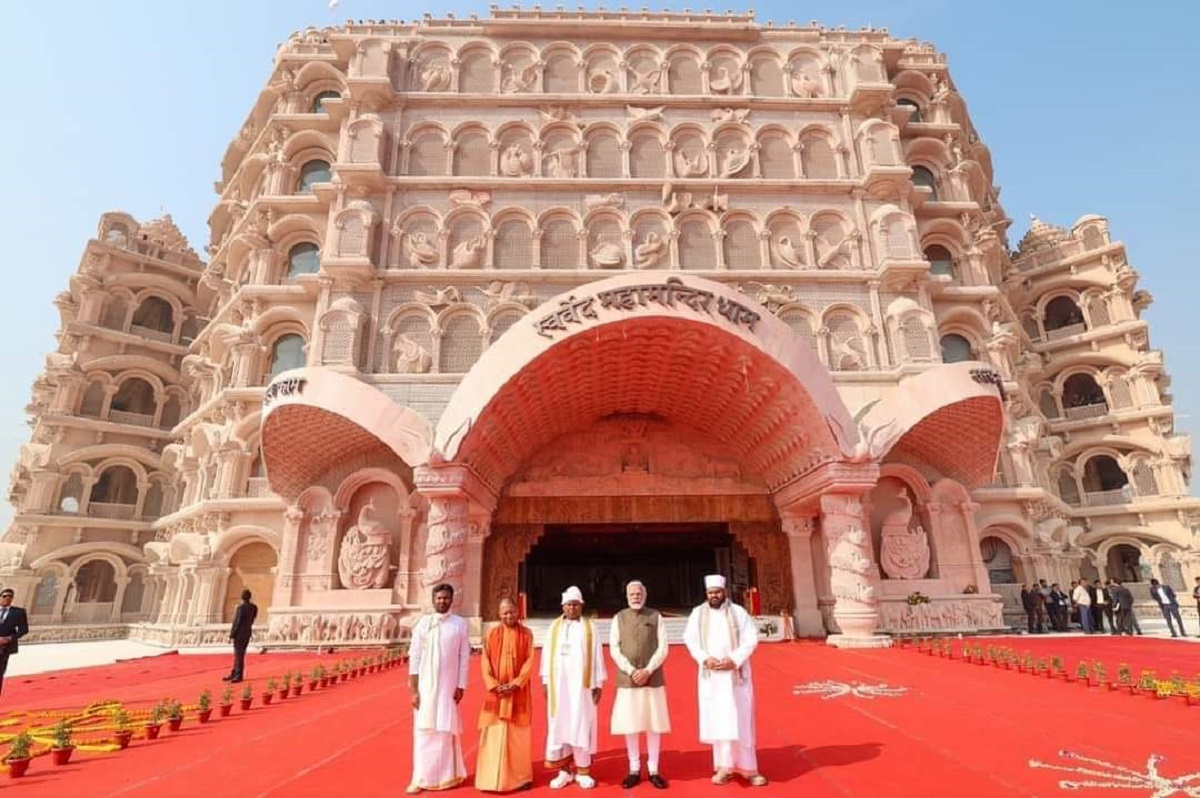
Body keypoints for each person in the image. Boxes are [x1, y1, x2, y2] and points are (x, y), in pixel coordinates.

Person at [682, 575, 767, 788]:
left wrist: (734, 660)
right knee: (720, 722)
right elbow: (690, 639)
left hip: (736, 676)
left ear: (724, 592)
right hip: (712, 677)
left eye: (717, 592)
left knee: (741, 720)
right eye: (711, 592)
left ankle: (749, 769)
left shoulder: (739, 613)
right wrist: (704, 658)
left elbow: (751, 640)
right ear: (706, 594)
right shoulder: (698, 614)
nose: (714, 596)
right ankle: (724, 767)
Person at [408, 583, 472, 794]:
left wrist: (461, 685)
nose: (442, 601)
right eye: (439, 598)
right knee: (424, 732)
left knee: (445, 731)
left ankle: (446, 776)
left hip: (447, 688)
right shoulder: (423, 624)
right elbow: (414, 657)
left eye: (446, 598)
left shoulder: (460, 625)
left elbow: (464, 657)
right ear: (433, 599)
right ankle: (420, 777)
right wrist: (414, 690)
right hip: (425, 688)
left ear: (452, 600)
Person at [541, 586, 606, 790]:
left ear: (581, 606)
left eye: (576, 605)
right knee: (560, 726)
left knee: (581, 725)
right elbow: (545, 655)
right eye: (569, 605)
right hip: (559, 688)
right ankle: (564, 771)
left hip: (582, 688)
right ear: (563, 606)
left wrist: (598, 683)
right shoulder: (553, 628)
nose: (572, 608)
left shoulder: (590, 628)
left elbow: (597, 656)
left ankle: (582, 771)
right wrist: (544, 680)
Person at [609, 580, 671, 790]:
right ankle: (633, 768)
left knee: (654, 725)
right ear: (626, 596)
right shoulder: (619, 618)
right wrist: (632, 671)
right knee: (631, 725)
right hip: (628, 679)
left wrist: (647, 670)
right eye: (632, 594)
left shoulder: (656, 616)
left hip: (652, 678)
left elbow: (663, 647)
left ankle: (654, 769)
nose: (635, 596)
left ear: (645, 594)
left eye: (639, 593)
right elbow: (614, 649)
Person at [476, 598, 535, 793]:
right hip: (496, 694)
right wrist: (493, 685)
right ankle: (490, 779)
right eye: (504, 613)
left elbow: (529, 661)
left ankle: (521, 778)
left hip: (518, 693)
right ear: (499, 613)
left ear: (518, 612)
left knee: (518, 736)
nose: (508, 616)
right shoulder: (492, 634)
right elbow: (485, 662)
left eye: (511, 612)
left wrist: (517, 683)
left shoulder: (526, 634)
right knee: (493, 734)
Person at [224, 589, 257, 683]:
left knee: (239, 655)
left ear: (242, 597)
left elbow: (237, 622)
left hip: (239, 633)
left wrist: (232, 635)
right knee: (240, 654)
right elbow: (253, 619)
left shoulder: (241, 608)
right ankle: (234, 672)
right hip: (247, 632)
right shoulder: (254, 607)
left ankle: (238, 675)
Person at [0, 588, 29, 696]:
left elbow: (24, 629)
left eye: (10, 596)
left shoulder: (18, 612)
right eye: (4, 596)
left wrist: (9, 638)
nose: (7, 598)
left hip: (4, 648)